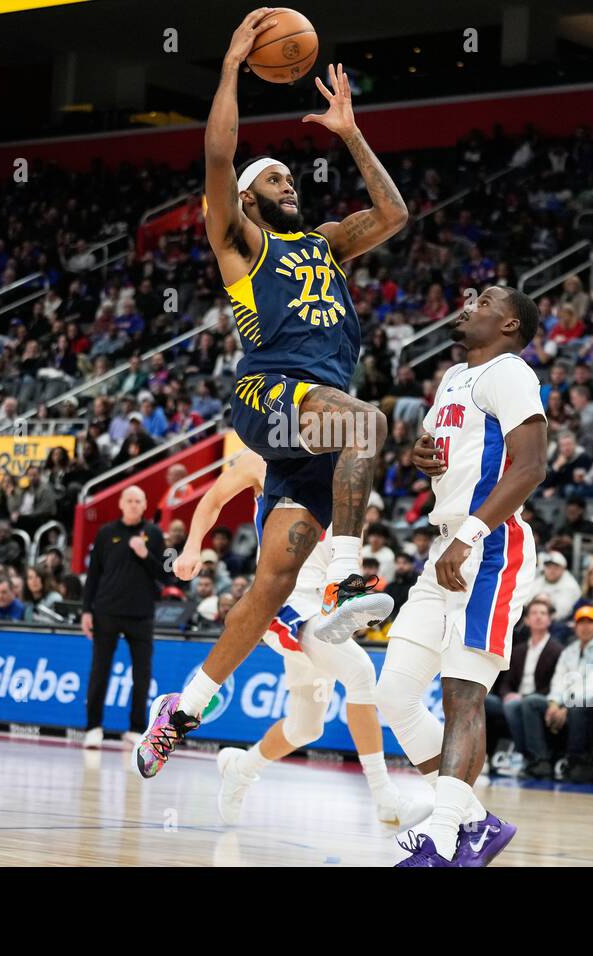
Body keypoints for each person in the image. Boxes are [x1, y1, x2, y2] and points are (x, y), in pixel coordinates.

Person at [133, 14, 412, 777]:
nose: (288, 186)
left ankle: (182, 709)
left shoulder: (322, 245)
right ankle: (350, 575)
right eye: (274, 183)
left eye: (291, 179)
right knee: (369, 424)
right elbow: (218, 157)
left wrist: (350, 133)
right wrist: (228, 69)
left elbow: (394, 215)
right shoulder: (242, 243)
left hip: (314, 432)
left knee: (272, 582)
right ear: (250, 203)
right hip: (274, 394)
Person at [373, 285, 548, 867]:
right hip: (447, 543)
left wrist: (471, 533)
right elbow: (452, 454)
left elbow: (531, 466)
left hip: (491, 546)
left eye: (487, 300)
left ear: (509, 326)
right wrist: (425, 457)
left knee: (462, 695)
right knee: (394, 690)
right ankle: (475, 822)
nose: (470, 302)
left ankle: (444, 839)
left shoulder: (510, 371)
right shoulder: (452, 377)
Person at [172, 448, 425, 826]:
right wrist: (192, 546)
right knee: (360, 673)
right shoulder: (261, 460)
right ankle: (385, 798)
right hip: (282, 599)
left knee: (307, 727)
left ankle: (241, 768)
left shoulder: (344, 464)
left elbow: (344, 544)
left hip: (324, 603)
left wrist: (347, 595)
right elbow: (213, 499)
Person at [82, 485, 166, 748]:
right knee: (99, 671)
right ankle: (93, 728)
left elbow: (166, 574)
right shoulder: (106, 533)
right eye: (128, 500)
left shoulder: (154, 534)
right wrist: (86, 610)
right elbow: (93, 575)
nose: (132, 504)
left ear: (144, 505)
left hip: (141, 615)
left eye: (137, 501)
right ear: (121, 504)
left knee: (142, 675)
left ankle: (136, 729)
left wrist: (146, 555)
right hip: (106, 612)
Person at [487, 598, 563, 779]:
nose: (538, 617)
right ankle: (481, 755)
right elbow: (506, 682)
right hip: (514, 698)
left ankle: (528, 755)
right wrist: (507, 694)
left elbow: (554, 685)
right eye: (534, 613)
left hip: (540, 700)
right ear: (527, 620)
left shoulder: (557, 649)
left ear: (549, 620)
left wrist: (522, 697)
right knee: (484, 700)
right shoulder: (518, 649)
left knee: (518, 705)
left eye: (543, 613)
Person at [546, 606, 593, 783]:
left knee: (578, 708)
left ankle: (575, 760)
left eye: (590, 622)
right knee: (530, 704)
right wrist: (554, 703)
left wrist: (567, 706)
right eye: (581, 622)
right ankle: (539, 759)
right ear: (575, 626)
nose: (585, 627)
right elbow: (558, 679)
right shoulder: (569, 650)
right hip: (565, 702)